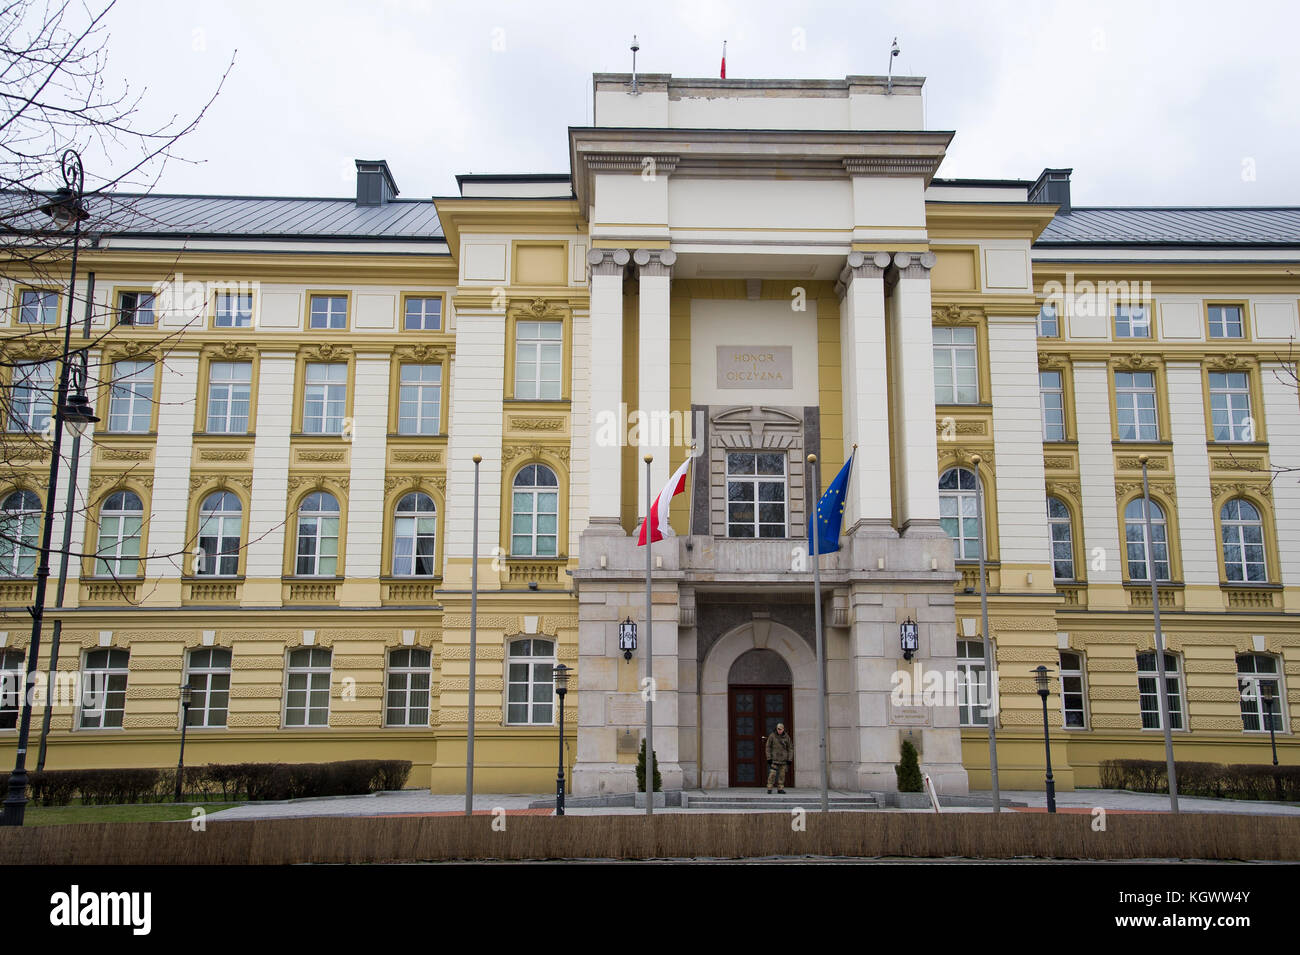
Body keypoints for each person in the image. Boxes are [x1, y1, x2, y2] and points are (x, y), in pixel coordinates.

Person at [765, 722, 792, 793]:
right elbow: (768, 747)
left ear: (783, 729)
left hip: (783, 759)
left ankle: (780, 788)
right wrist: (769, 758)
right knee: (772, 774)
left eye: (780, 729)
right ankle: (769, 788)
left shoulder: (787, 737)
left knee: (782, 775)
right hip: (774, 759)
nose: (779, 730)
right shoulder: (772, 736)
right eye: (778, 729)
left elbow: (790, 748)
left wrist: (789, 759)